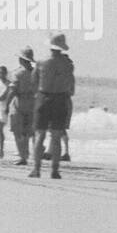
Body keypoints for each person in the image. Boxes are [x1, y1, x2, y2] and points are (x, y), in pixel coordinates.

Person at [30, 34, 75, 179]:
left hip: (44, 97)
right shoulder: (68, 64)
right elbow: (70, 85)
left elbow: (34, 82)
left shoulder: (41, 62)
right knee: (56, 137)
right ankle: (54, 170)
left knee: (39, 135)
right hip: (60, 98)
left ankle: (36, 169)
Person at [9, 47, 37, 165]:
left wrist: (6, 104)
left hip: (19, 103)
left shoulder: (17, 73)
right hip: (32, 103)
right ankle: (27, 154)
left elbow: (13, 90)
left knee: (17, 131)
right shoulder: (36, 72)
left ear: (21, 59)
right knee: (27, 131)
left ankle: (23, 156)